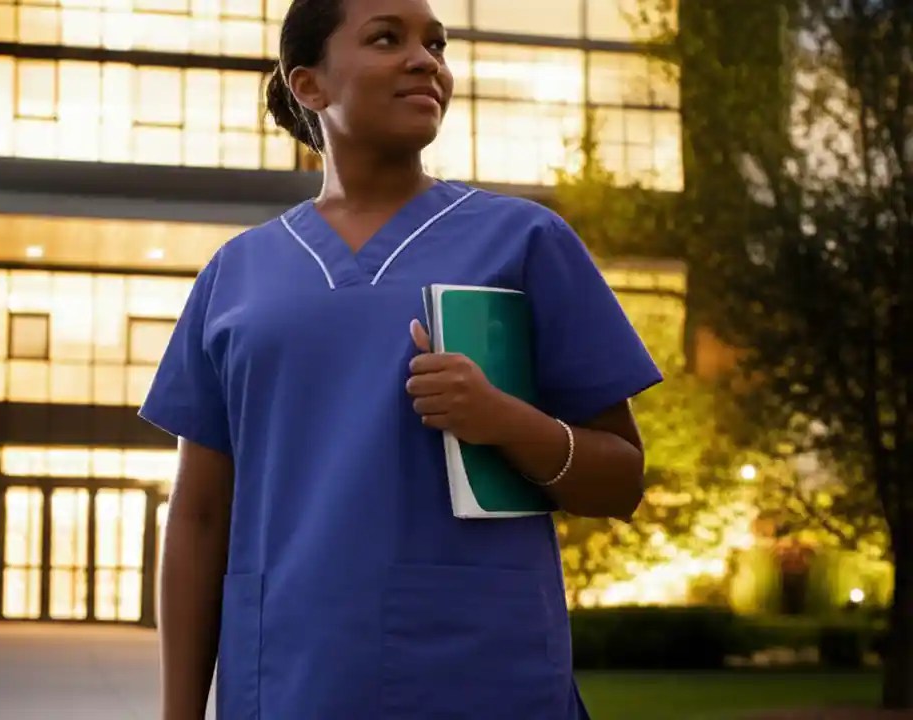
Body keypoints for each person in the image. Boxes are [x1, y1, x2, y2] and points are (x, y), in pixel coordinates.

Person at [138, 0, 663, 717]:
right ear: (310, 86)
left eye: (436, 44)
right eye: (388, 38)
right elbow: (198, 518)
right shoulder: (238, 275)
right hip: (290, 685)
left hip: (482, 681)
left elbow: (621, 481)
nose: (427, 61)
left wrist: (506, 421)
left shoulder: (526, 242)